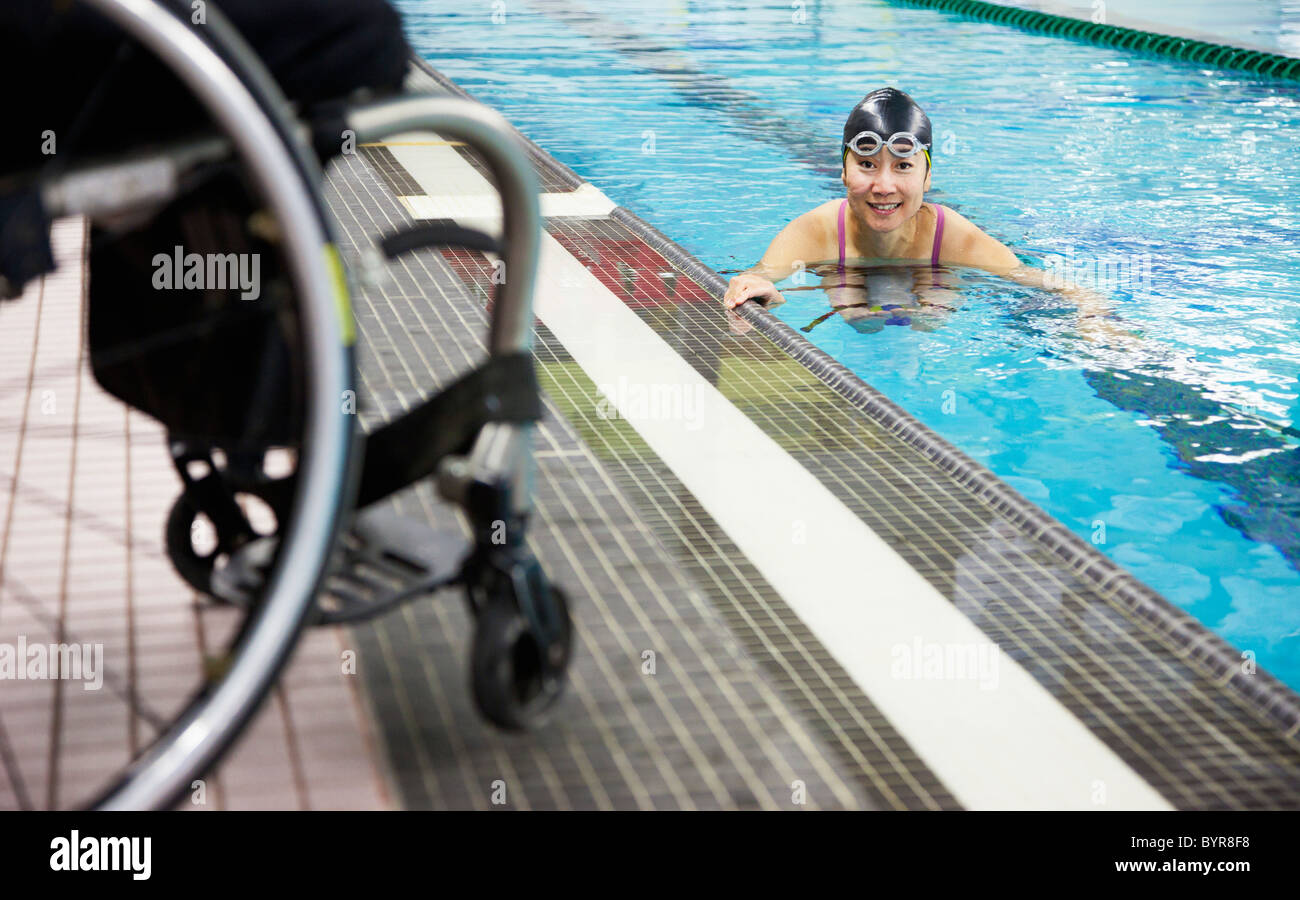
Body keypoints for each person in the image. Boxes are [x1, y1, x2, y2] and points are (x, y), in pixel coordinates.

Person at [723, 87, 1128, 342]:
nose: (884, 186)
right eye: (867, 165)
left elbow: (1039, 280)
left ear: (928, 177)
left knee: (930, 322)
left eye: (902, 167)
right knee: (858, 319)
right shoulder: (816, 231)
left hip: (933, 271)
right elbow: (757, 277)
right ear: (843, 171)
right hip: (844, 272)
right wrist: (770, 298)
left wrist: (1091, 312)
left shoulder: (951, 235)